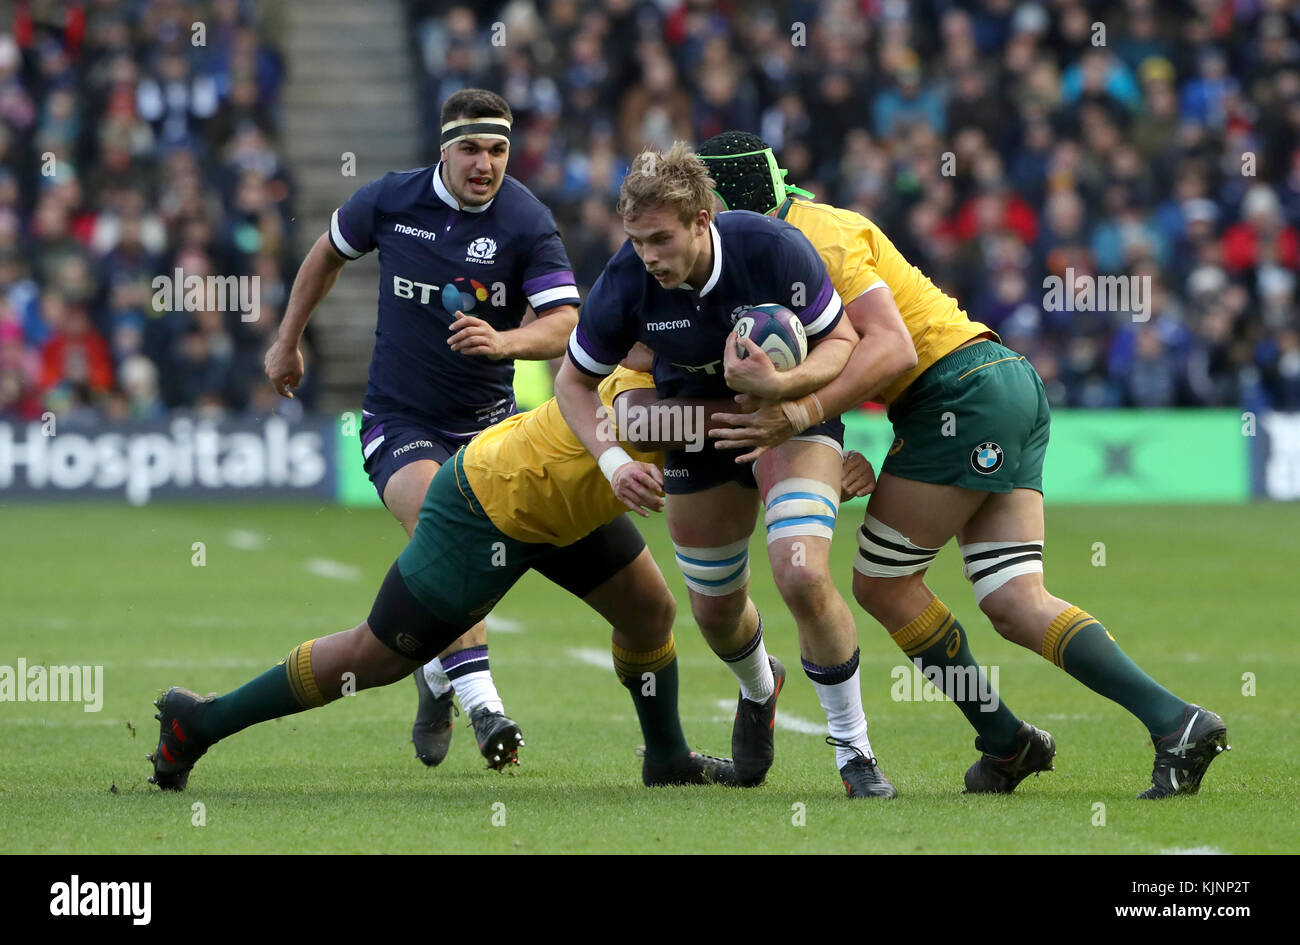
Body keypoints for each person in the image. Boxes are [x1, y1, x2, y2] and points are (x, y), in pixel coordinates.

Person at [698, 131, 1229, 799]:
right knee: (1014, 598)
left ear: (730, 195)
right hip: (997, 379)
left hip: (956, 394)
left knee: (882, 585)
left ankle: (1004, 739)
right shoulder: (805, 229)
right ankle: (1174, 721)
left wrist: (804, 420)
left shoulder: (813, 238)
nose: (703, 217)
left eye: (707, 198)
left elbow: (889, 350)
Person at [147, 355, 878, 791]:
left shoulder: (710, 343)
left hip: (571, 510)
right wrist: (771, 422)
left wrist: (817, 461)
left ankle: (665, 757)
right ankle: (200, 721)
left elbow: (748, 452)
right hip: (491, 502)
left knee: (650, 612)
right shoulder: (656, 347)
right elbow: (660, 426)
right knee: (370, 656)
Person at [555, 143, 898, 799]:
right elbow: (572, 382)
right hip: (698, 429)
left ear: (702, 218)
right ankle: (761, 688)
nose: (648, 255)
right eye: (637, 239)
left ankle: (855, 752)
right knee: (714, 612)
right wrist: (615, 459)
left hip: (788, 417)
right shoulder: (626, 280)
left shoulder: (770, 248)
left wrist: (787, 391)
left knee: (800, 571)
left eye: (661, 239)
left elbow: (844, 342)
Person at [263, 89, 579, 771]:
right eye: (470, 148)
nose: (485, 163)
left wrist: (505, 341)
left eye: (497, 149)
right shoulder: (390, 200)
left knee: (469, 564)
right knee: (446, 525)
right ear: (443, 148)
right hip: (398, 421)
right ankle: (484, 704)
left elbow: (565, 322)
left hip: (491, 430)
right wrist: (289, 340)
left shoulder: (526, 219)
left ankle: (435, 673)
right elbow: (326, 252)